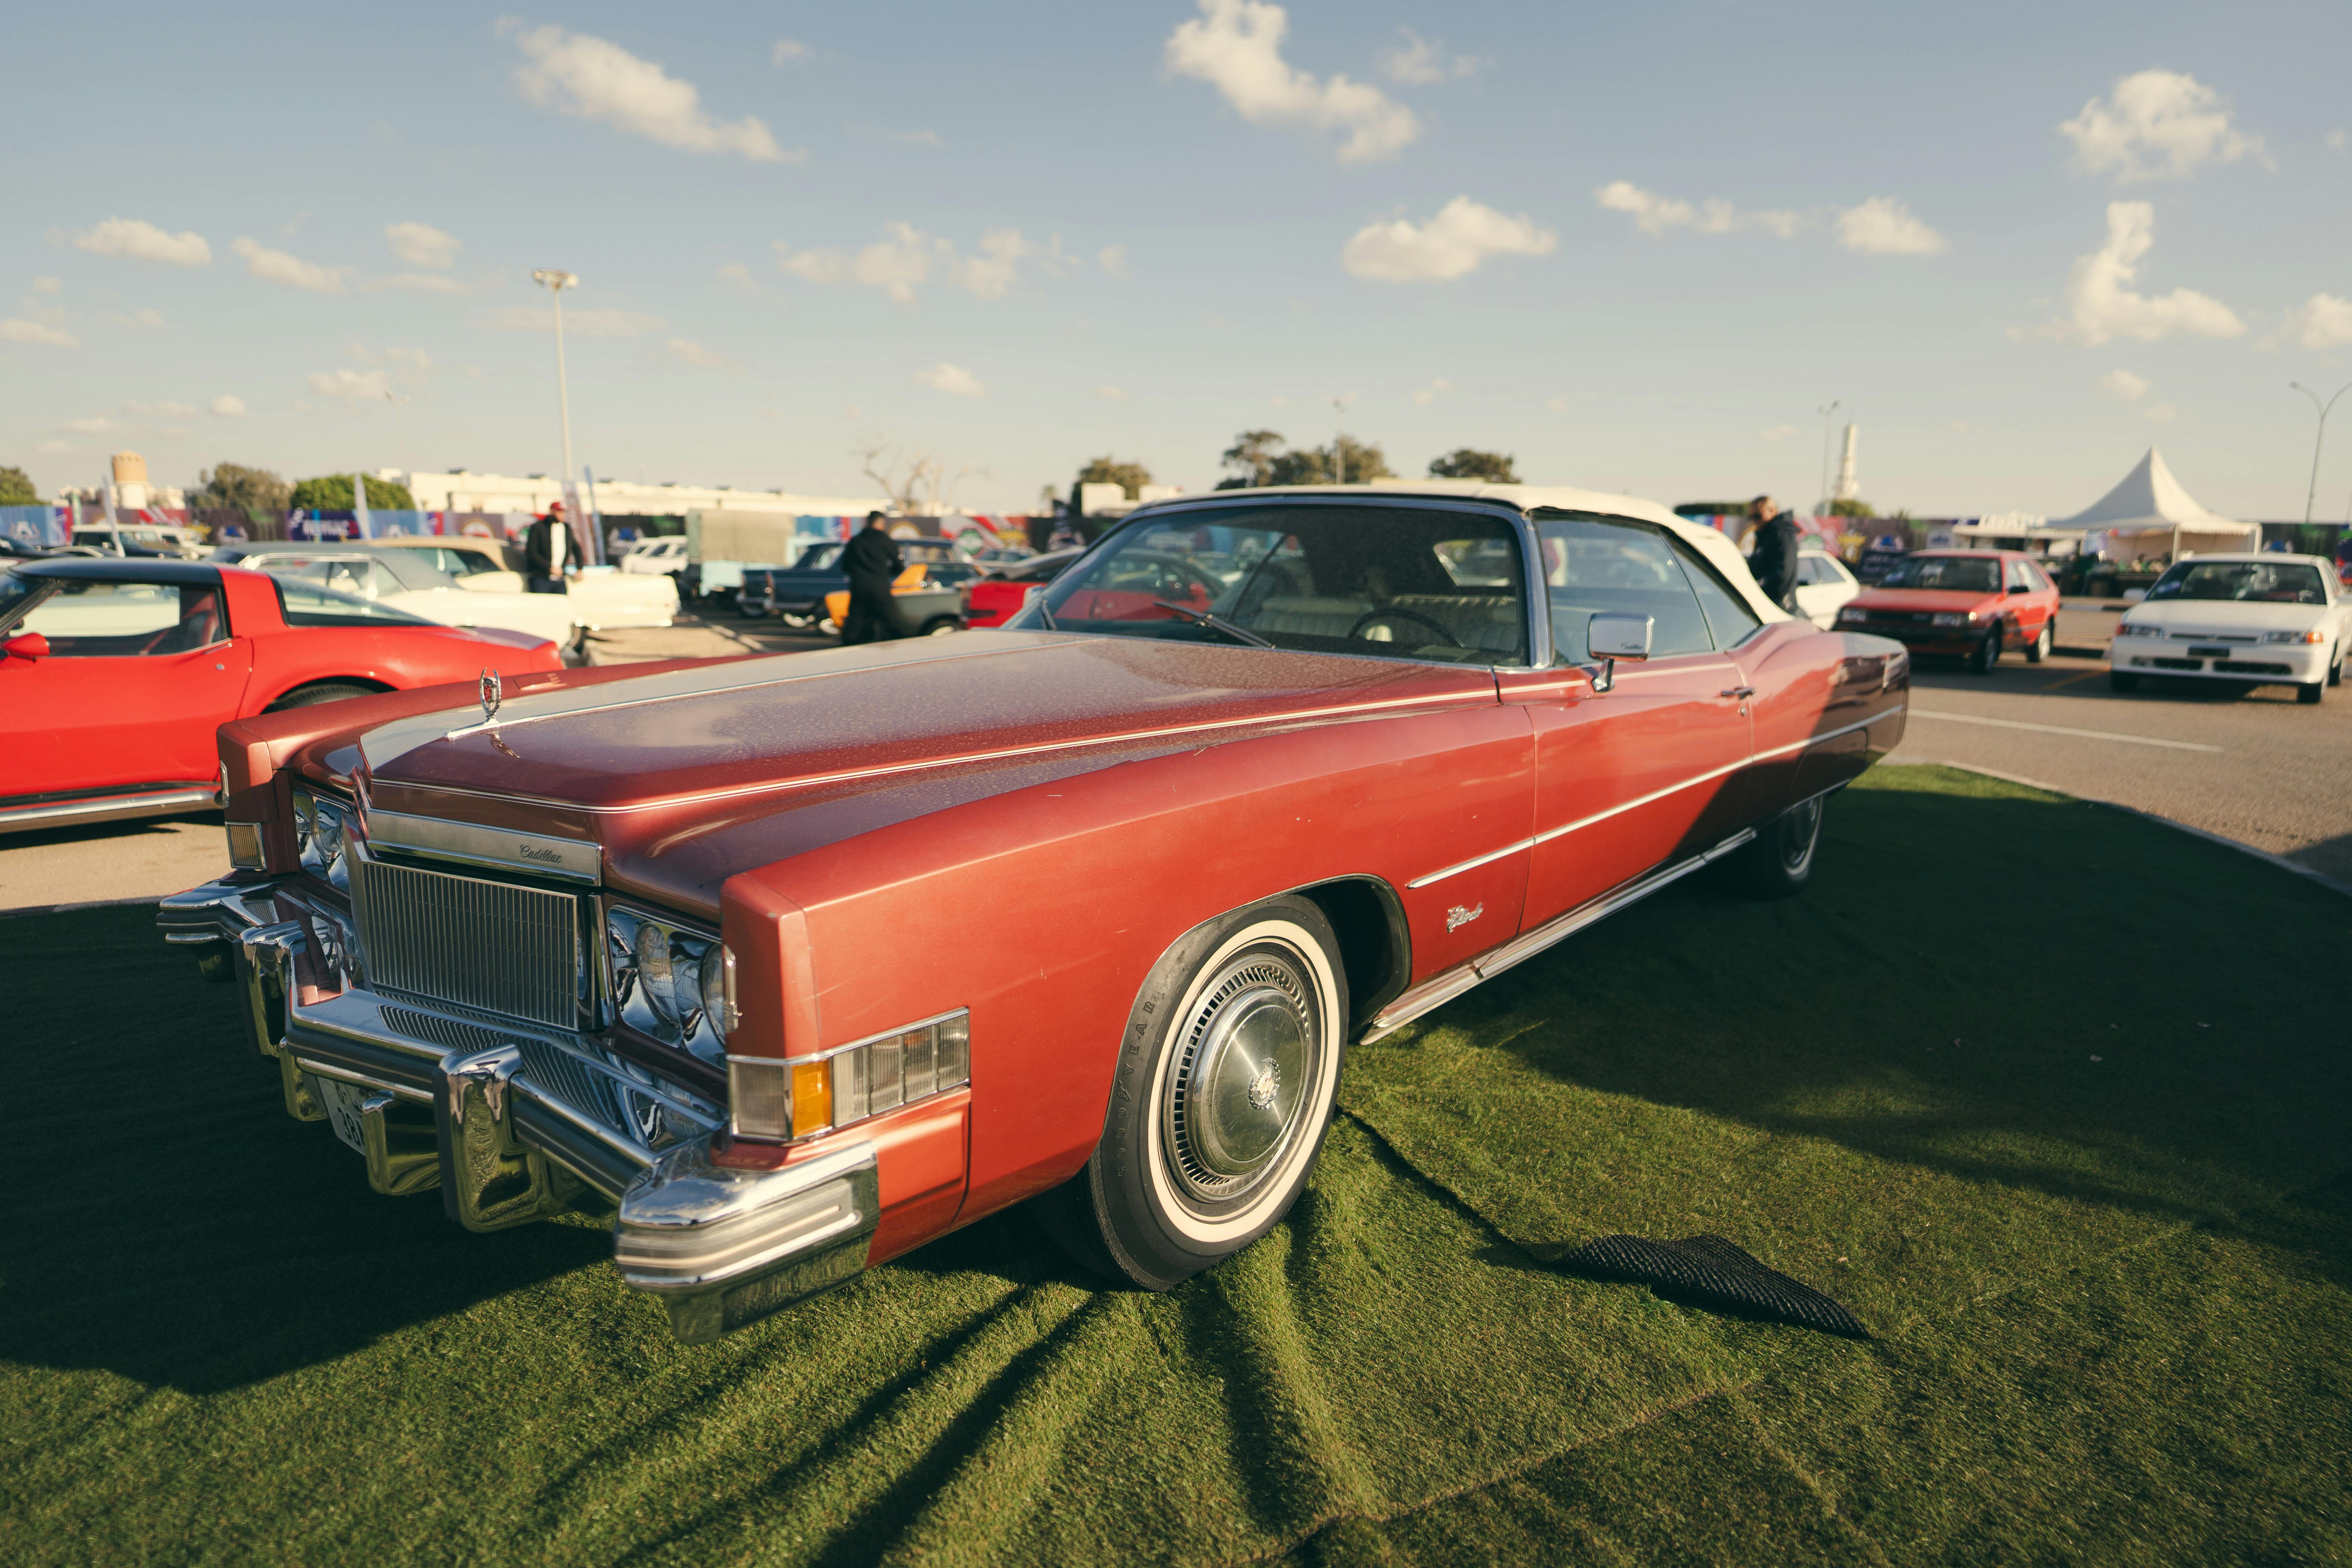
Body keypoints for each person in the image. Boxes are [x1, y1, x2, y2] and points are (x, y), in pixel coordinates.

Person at [839, 510, 904, 645]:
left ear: (868, 523)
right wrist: (885, 571)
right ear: (881, 524)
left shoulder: (856, 541)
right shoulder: (886, 541)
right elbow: (899, 567)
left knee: (854, 624)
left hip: (859, 588)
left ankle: (848, 652)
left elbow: (845, 566)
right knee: (893, 625)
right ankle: (898, 653)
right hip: (880, 588)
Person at [1744, 494, 1799, 611]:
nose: (1754, 521)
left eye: (1758, 516)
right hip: (1766, 604)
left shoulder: (1783, 533)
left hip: (1779, 606)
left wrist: (1761, 584)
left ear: (1773, 511)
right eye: (1751, 517)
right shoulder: (1766, 535)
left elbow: (1784, 571)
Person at [524, 501, 573, 594]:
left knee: (561, 605)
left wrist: (580, 568)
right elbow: (532, 552)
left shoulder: (566, 528)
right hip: (541, 578)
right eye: (560, 512)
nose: (563, 515)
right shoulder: (539, 527)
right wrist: (549, 568)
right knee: (543, 605)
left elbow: (576, 548)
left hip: (560, 579)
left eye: (564, 512)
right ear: (552, 511)